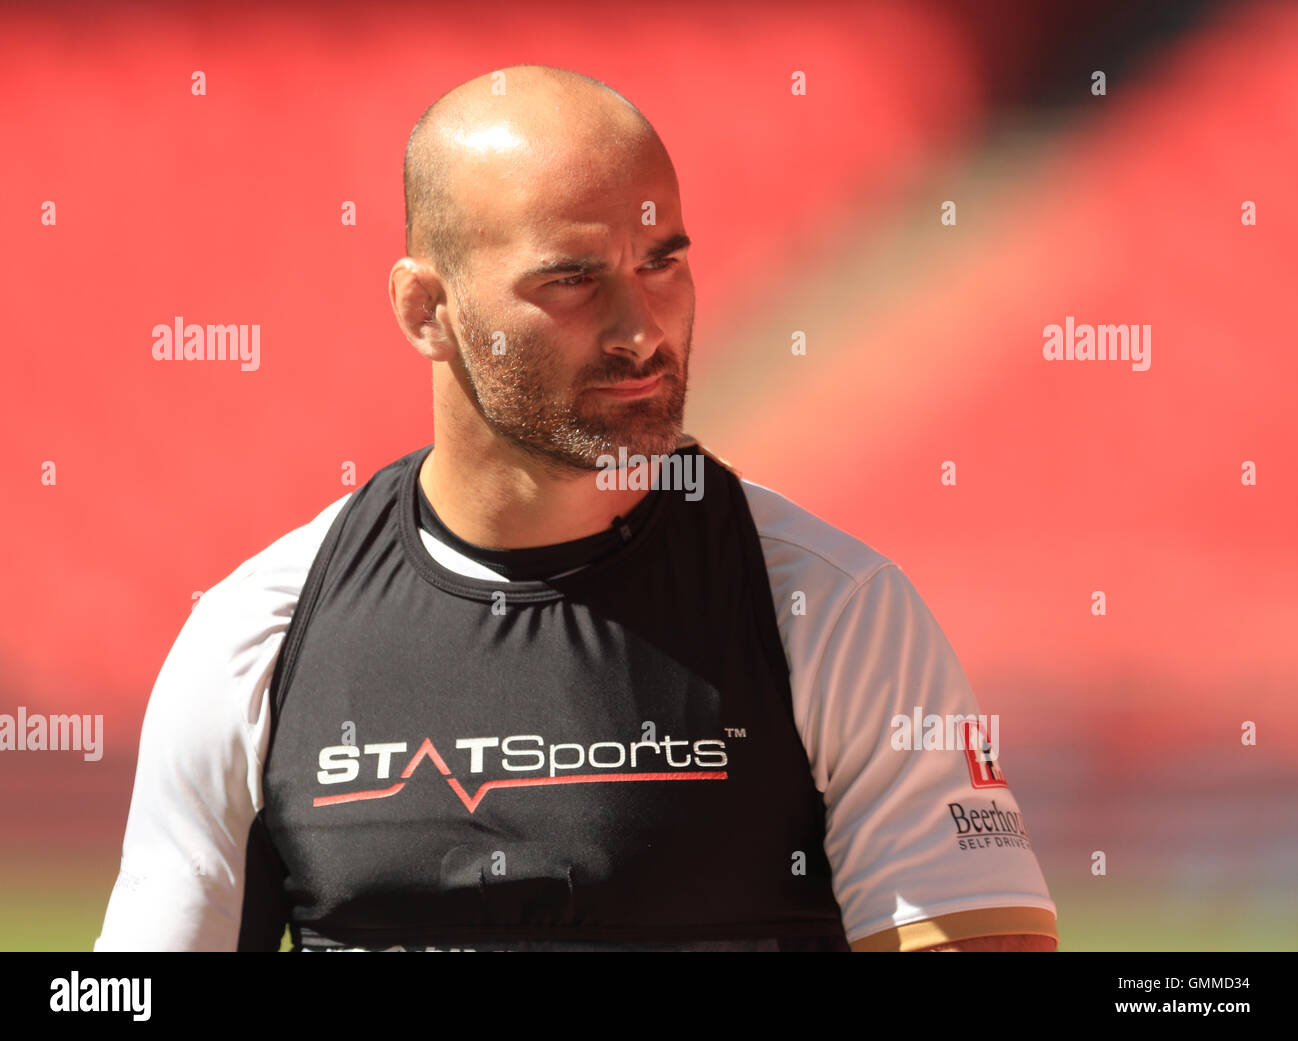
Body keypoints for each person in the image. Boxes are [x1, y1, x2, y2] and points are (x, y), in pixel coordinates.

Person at [95, 64, 1058, 952]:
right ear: (425, 309)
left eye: (662, 262)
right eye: (573, 279)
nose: (640, 330)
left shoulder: (833, 613)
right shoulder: (254, 636)